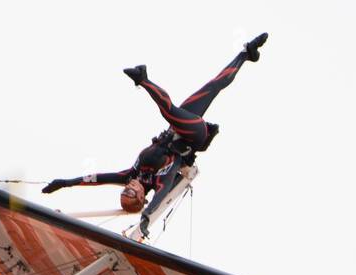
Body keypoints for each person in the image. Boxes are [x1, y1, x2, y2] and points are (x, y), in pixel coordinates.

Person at [43, 33, 268, 236]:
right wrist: (146, 218)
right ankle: (143, 79)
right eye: (131, 194)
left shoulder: (130, 174)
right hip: (192, 137)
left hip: (174, 130)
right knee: (169, 112)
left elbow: (97, 178)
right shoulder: (160, 180)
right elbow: (159, 198)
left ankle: (246, 54)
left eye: (125, 192)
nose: (129, 187)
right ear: (141, 198)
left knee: (212, 86)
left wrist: (65, 182)